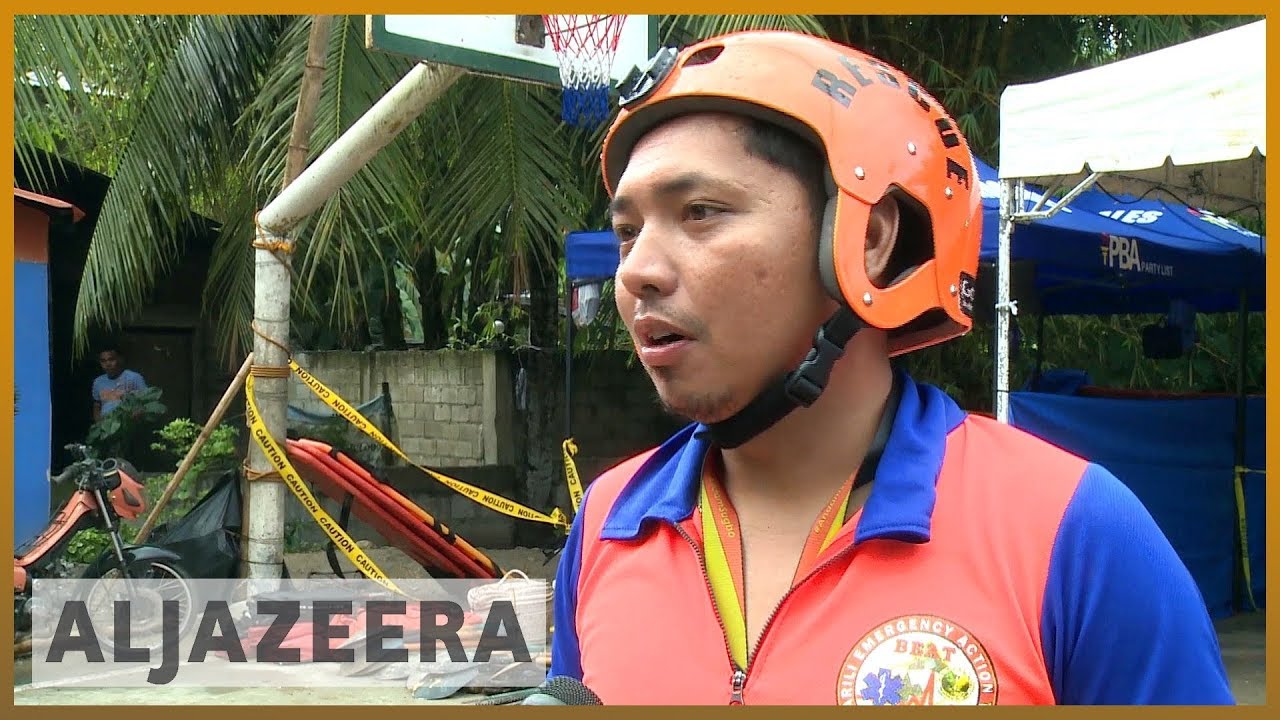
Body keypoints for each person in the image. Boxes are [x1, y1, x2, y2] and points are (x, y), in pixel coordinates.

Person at [547, 31, 1234, 706]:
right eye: (628, 230)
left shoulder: (1073, 533)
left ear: (869, 238)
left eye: (700, 213)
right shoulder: (610, 519)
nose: (636, 272)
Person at [92, 344, 148, 423]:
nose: (108, 364)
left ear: (120, 359)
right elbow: (97, 405)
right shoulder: (98, 382)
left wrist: (139, 411)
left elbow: (147, 400)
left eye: (111, 359)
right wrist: (98, 422)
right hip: (106, 428)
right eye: (103, 361)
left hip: (129, 426)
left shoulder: (134, 378)